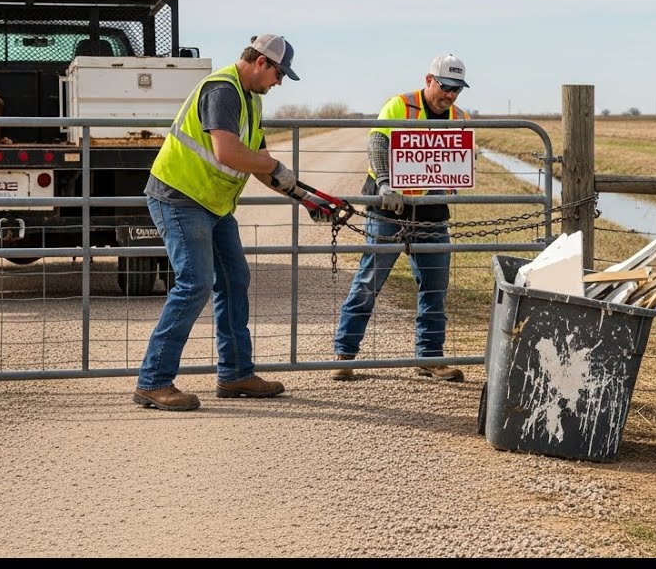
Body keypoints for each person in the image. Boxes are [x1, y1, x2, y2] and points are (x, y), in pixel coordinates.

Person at [133, 34, 303, 411]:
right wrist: (274, 166)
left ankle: (236, 373)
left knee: (233, 279)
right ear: (261, 62)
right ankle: (153, 381)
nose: (279, 82)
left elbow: (257, 160)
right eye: (279, 73)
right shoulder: (222, 90)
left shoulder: (251, 99)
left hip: (212, 203)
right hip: (179, 196)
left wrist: (300, 195)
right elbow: (227, 152)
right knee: (194, 284)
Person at [331, 53, 472, 382]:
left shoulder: (459, 117)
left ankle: (430, 358)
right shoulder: (400, 106)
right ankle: (344, 355)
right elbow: (377, 142)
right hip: (388, 209)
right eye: (445, 86)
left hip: (431, 211)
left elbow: (463, 157)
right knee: (368, 282)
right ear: (429, 80)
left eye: (457, 89)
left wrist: (458, 178)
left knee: (435, 288)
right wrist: (385, 183)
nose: (450, 95)